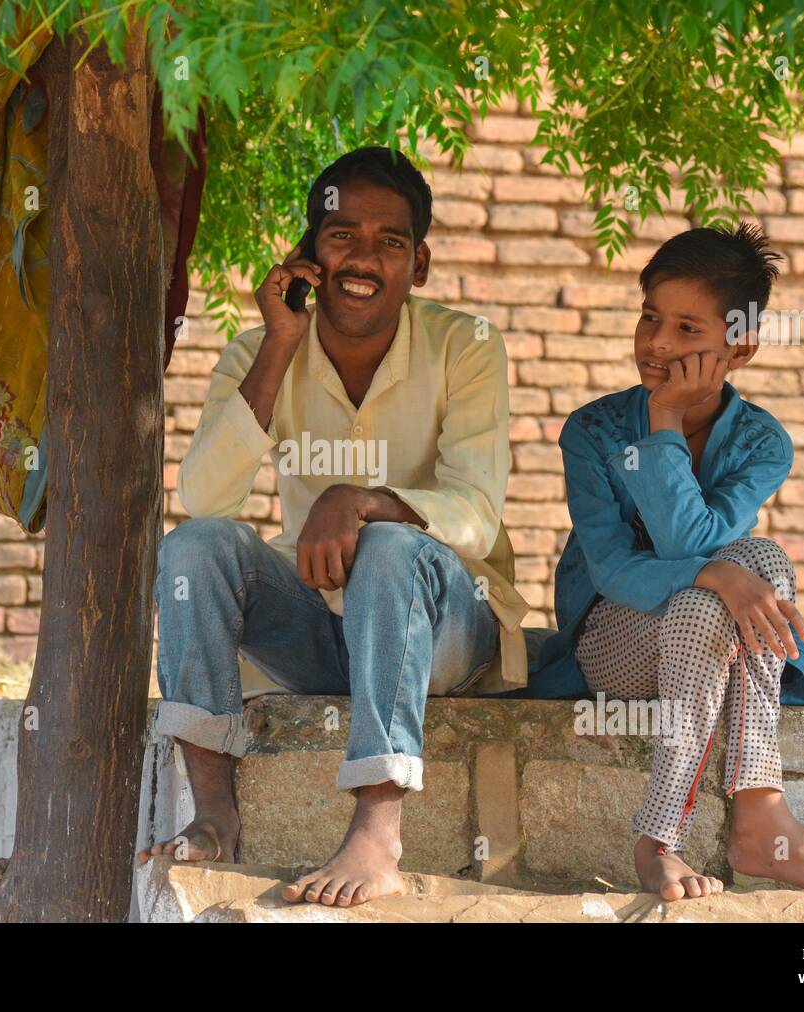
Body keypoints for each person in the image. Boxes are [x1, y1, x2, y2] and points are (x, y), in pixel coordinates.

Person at [138, 146, 529, 907]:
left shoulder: (465, 348)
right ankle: (214, 811)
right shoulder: (259, 352)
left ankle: (378, 829)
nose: (364, 257)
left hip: (450, 627)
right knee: (193, 550)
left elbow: (477, 515)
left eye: (390, 242)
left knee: (385, 545)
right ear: (309, 254)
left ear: (418, 265)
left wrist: (363, 500)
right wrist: (281, 345)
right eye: (342, 234)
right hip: (326, 633)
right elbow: (205, 496)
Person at [521, 223, 804, 900]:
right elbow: (616, 571)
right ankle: (756, 819)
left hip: (706, 640)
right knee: (731, 572)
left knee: (752, 561)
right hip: (616, 642)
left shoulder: (761, 442)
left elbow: (692, 540)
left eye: (688, 330)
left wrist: (716, 569)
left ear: (738, 346)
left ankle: (674, 834)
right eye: (650, 318)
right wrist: (662, 420)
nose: (658, 343)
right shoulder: (594, 430)